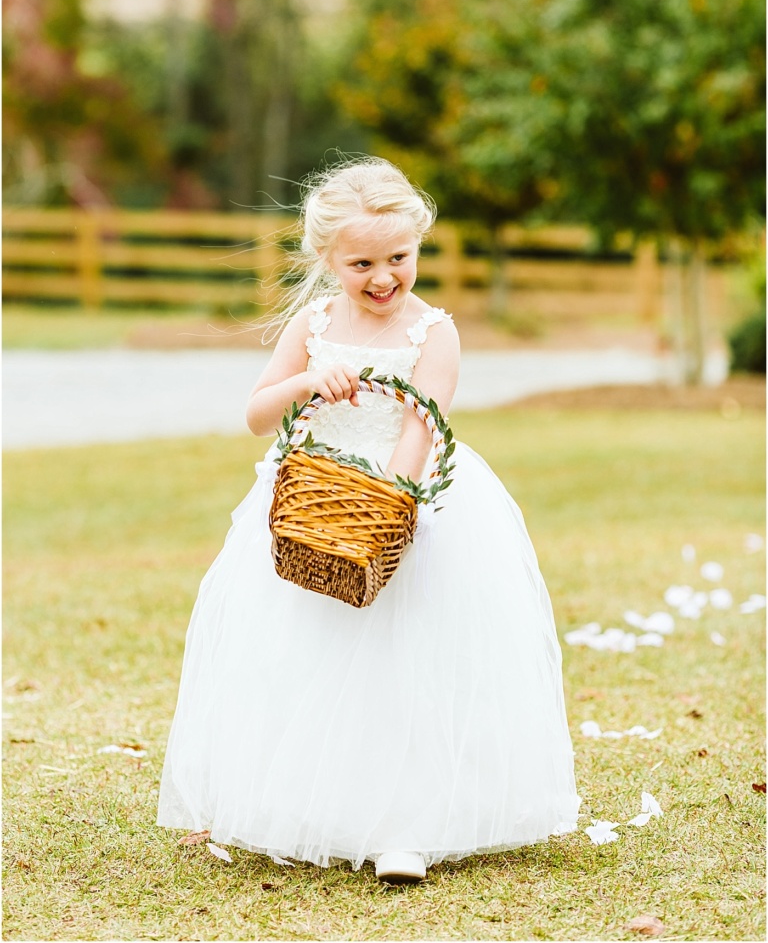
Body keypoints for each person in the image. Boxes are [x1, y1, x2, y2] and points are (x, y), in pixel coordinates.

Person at [157, 156, 579, 883]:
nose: (384, 277)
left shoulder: (433, 331)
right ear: (327, 259)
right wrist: (306, 382)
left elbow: (423, 424)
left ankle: (407, 829)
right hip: (314, 503)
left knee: (405, 664)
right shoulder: (314, 322)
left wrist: (396, 507)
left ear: (417, 247)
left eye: (399, 258)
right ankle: (312, 807)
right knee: (310, 661)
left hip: (400, 505)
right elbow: (258, 415)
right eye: (362, 263)